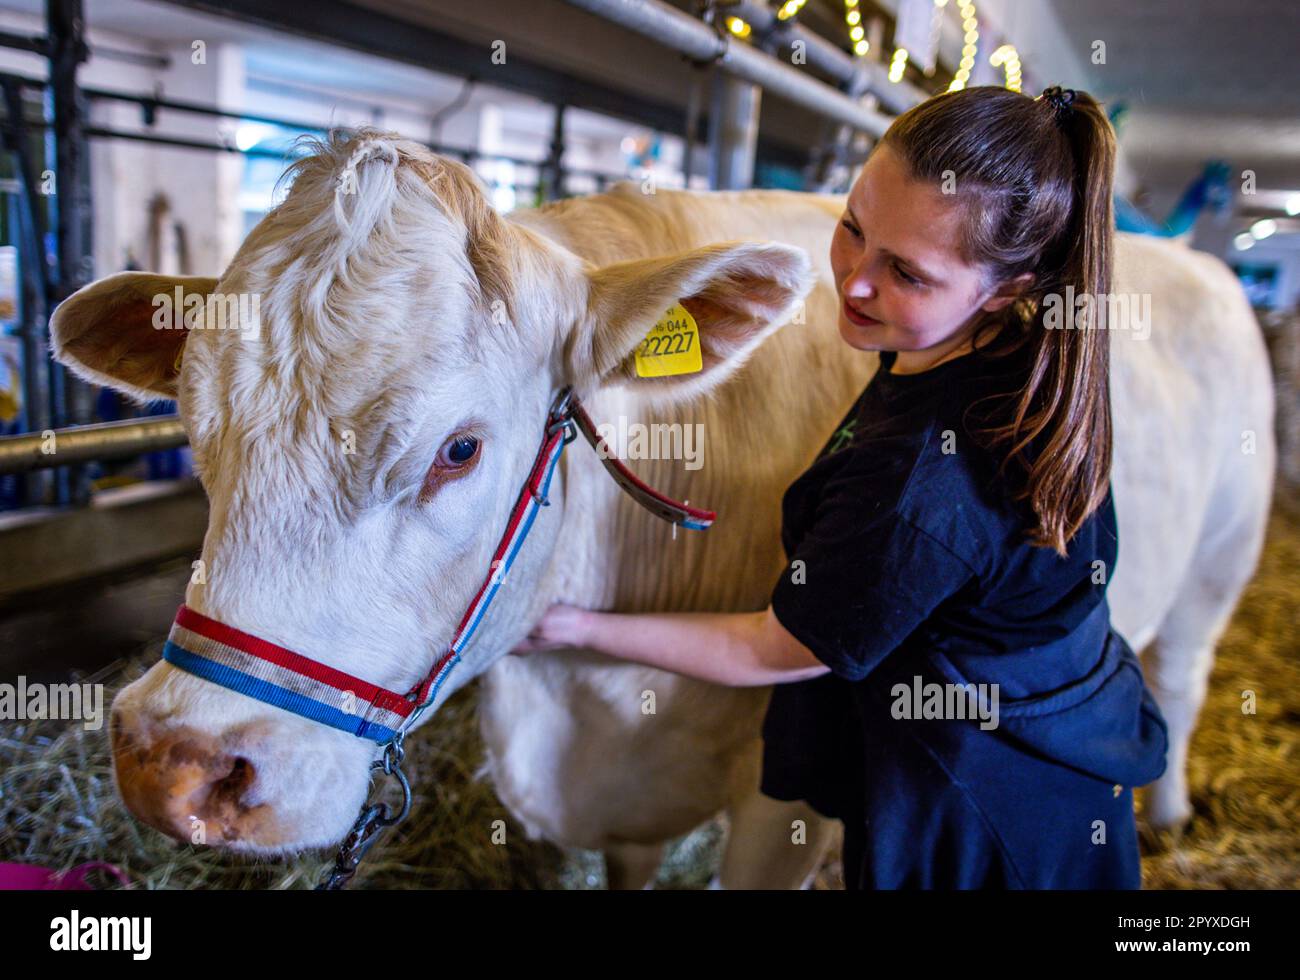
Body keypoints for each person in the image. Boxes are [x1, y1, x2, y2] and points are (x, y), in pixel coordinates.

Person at [512, 85, 1169, 889]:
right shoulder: (1011, 358)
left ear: (1007, 287)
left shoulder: (923, 486)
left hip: (976, 811)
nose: (854, 282)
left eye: (908, 273)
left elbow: (774, 649)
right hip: (1051, 734)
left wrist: (575, 625)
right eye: (854, 228)